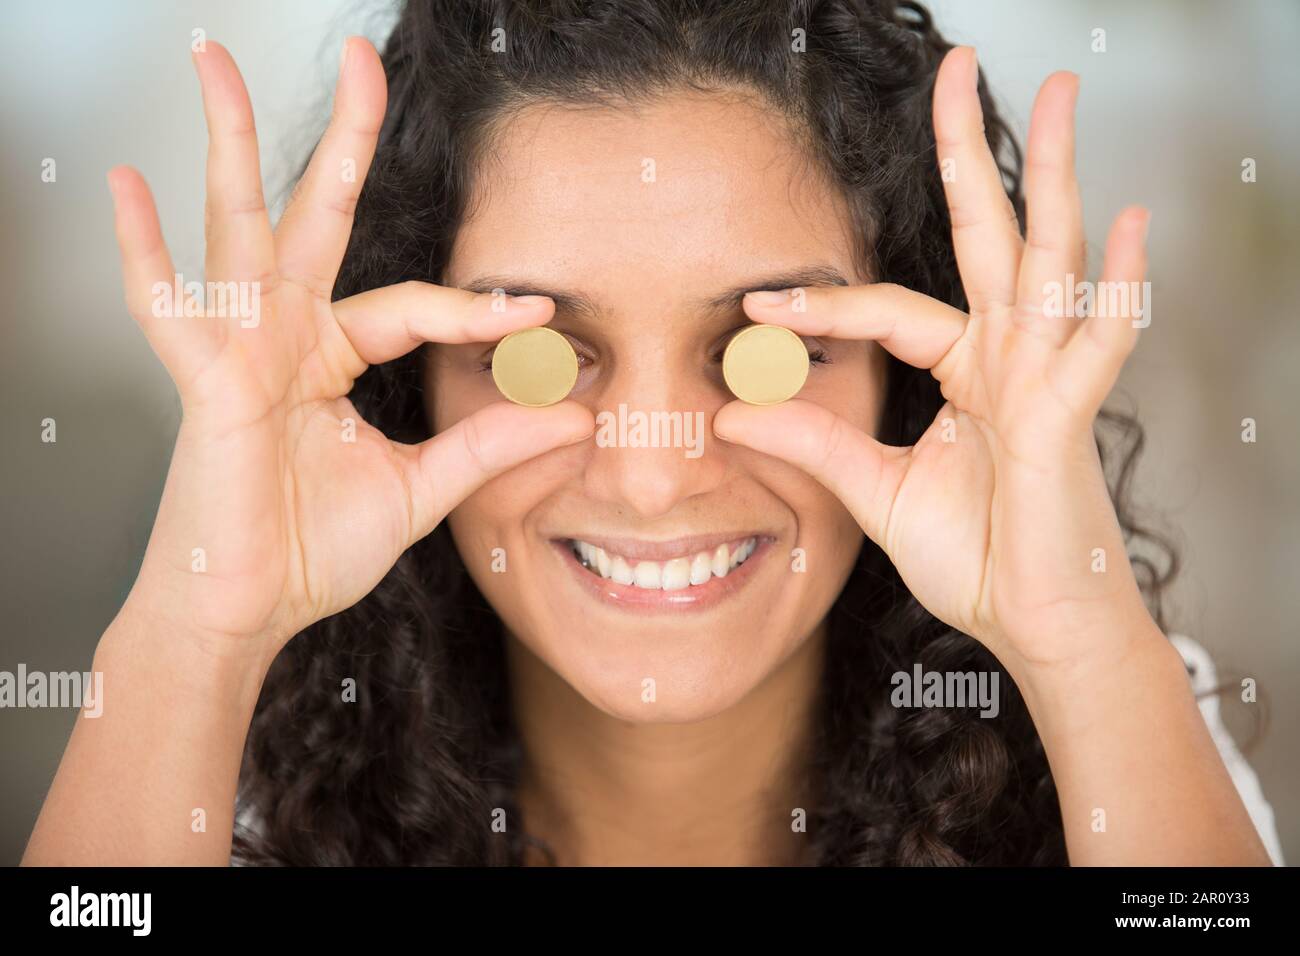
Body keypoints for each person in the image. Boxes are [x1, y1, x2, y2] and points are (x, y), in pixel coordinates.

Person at [23, 0, 1280, 866]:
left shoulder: (1120, 752)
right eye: (538, 353)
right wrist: (198, 632)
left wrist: (1080, 637)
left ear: (913, 376)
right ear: (402, 384)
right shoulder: (222, 797)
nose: (654, 470)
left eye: (767, 348)